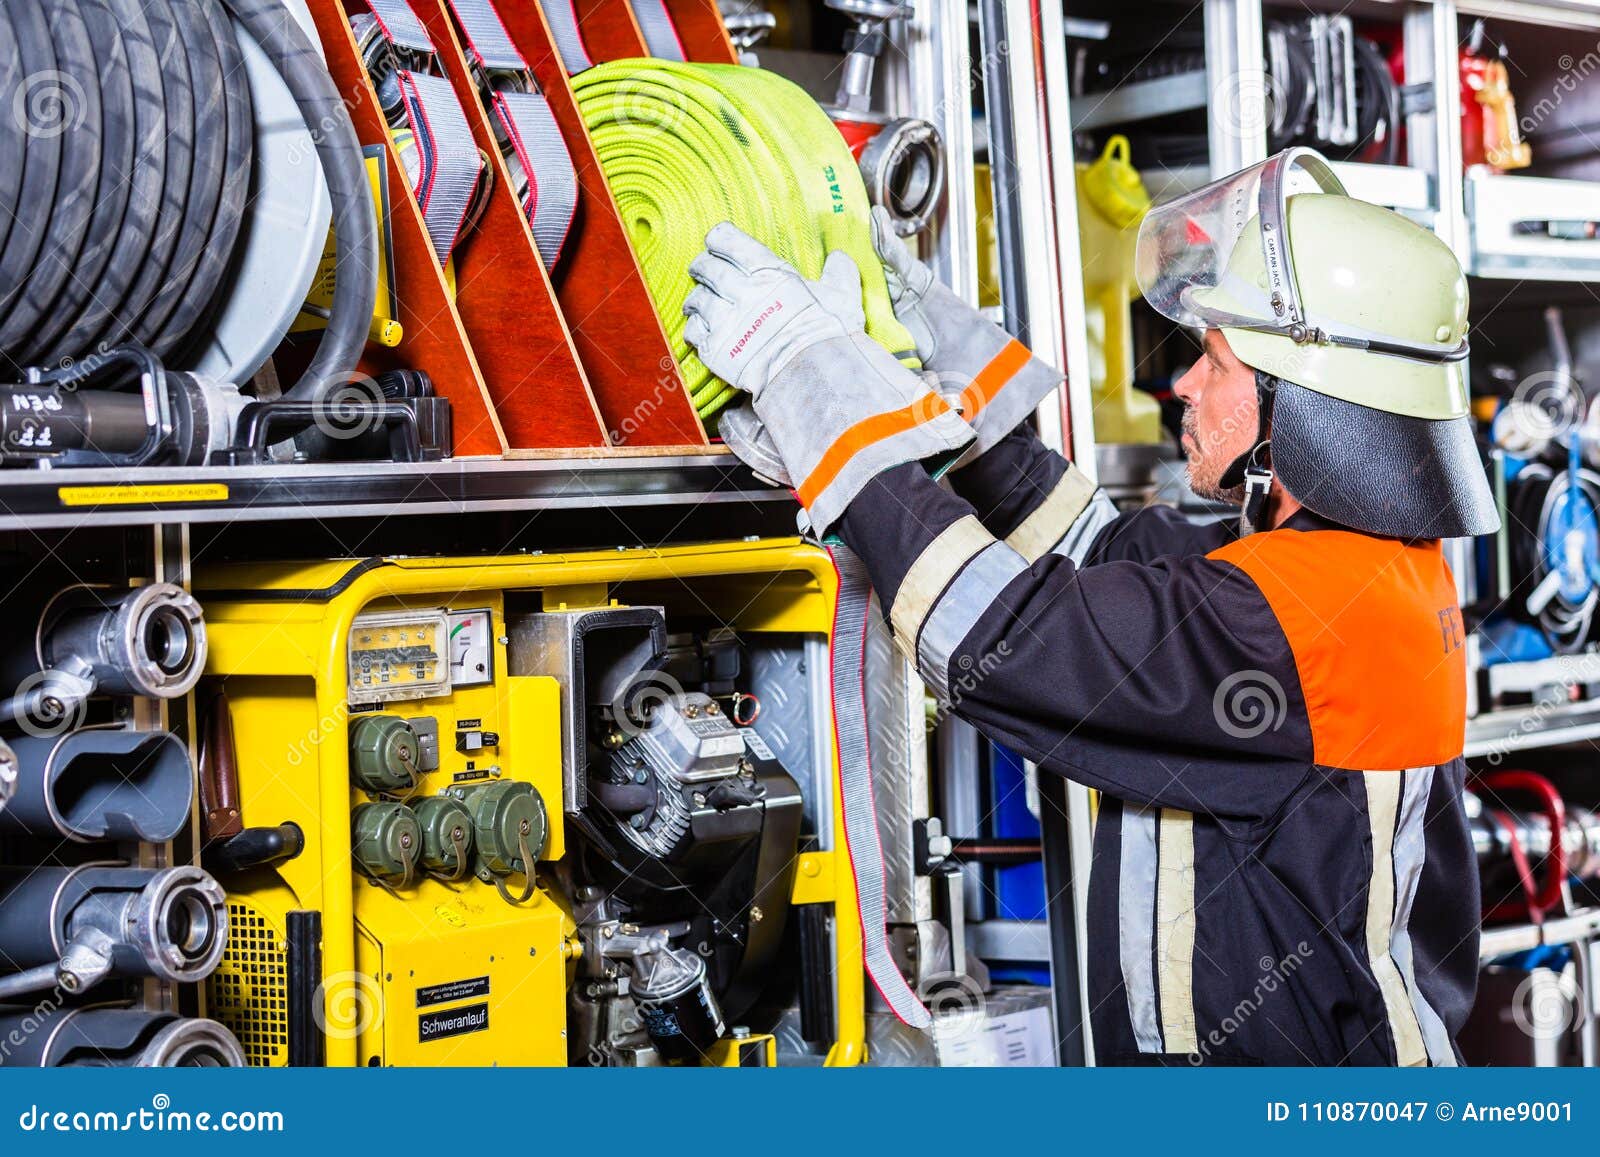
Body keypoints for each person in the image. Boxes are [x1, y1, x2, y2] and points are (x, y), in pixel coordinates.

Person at [681, 149, 1499, 1066]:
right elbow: (1097, 554)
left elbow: (1007, 640)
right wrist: (929, 339)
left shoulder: (1300, 620)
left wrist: (808, 374)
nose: (1182, 385)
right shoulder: (1354, 574)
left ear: (1300, 402)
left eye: (1215, 362)